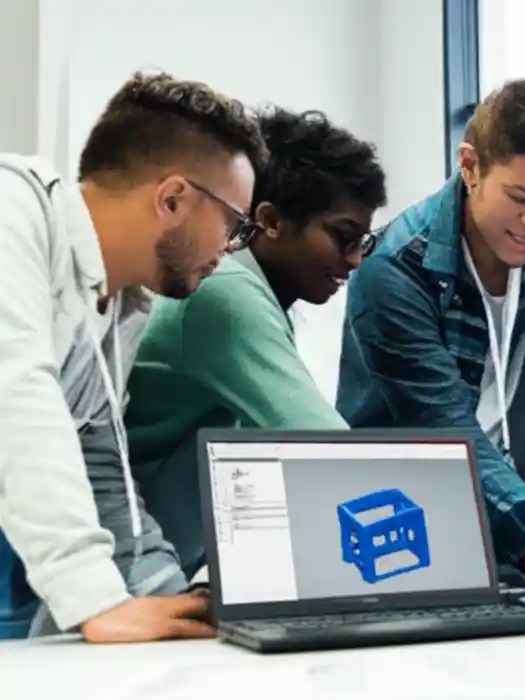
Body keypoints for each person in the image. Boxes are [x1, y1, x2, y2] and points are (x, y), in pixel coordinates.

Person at [0, 71, 266, 641]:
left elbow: (99, 459)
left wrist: (169, 599)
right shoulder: (11, 208)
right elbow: (14, 395)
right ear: (172, 198)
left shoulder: (122, 302)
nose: (231, 249)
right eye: (235, 225)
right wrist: (92, 594)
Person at [336, 76, 525, 588]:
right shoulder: (395, 269)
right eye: (519, 197)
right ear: (470, 166)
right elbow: (442, 428)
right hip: (415, 525)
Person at [124, 107, 388, 576]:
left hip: (143, 552)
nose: (354, 260)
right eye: (343, 237)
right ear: (269, 220)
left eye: (362, 242)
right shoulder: (225, 292)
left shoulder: (251, 292)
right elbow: (329, 448)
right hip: (109, 557)